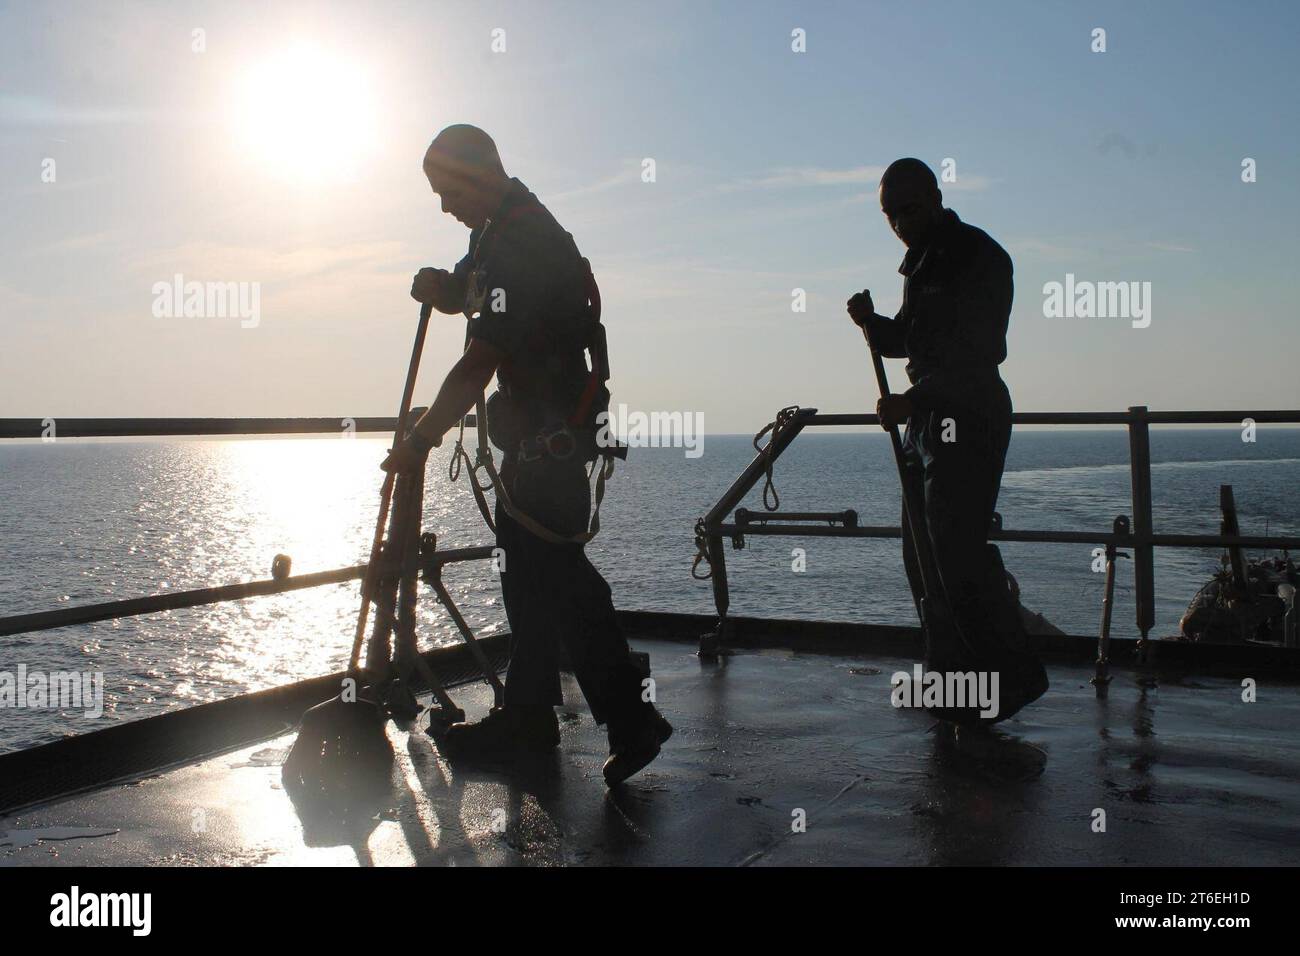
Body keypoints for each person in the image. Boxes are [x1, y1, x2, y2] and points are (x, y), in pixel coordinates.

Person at [381, 124, 670, 785]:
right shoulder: (497, 231)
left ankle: (629, 719)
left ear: (476, 176)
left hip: (552, 438)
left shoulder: (520, 243)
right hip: (542, 435)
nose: (444, 208)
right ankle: (531, 715)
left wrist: (421, 437)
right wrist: (442, 289)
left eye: (447, 192)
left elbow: (479, 361)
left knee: (561, 580)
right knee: (533, 578)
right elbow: (473, 294)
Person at [847, 157, 1047, 723]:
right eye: (889, 216)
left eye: (907, 210)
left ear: (935, 197)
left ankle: (1013, 678)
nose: (899, 224)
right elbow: (912, 341)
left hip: (968, 416)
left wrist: (917, 399)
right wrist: (872, 323)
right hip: (927, 424)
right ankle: (953, 675)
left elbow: (978, 355)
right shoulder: (920, 264)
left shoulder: (978, 257)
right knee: (922, 557)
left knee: (958, 554)